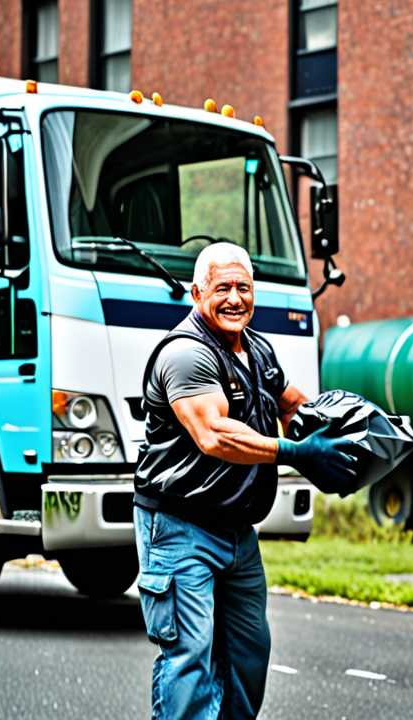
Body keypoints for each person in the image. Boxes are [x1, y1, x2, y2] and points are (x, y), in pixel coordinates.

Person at [133, 242, 350, 719]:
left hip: (237, 534)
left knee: (249, 656)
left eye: (244, 288)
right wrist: (296, 453)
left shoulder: (257, 348)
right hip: (180, 527)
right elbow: (214, 434)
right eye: (223, 288)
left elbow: (294, 406)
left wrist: (351, 438)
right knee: (190, 659)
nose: (235, 298)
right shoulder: (186, 354)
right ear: (197, 292)